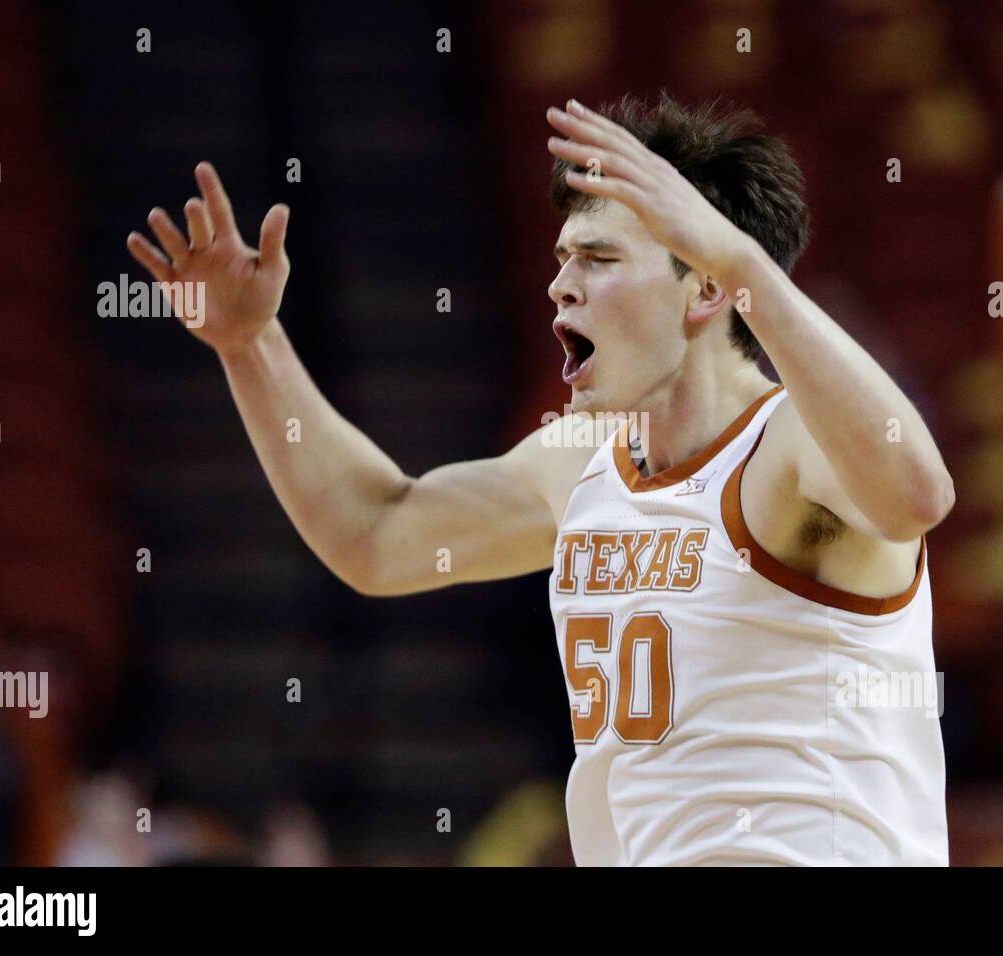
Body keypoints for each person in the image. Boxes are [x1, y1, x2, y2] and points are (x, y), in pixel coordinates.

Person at [126, 93, 955, 866]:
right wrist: (250, 345)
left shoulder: (790, 446)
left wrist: (741, 259)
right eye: (563, 259)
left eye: (597, 258)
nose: (560, 284)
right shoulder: (582, 462)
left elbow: (919, 495)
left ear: (705, 288)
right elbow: (375, 534)